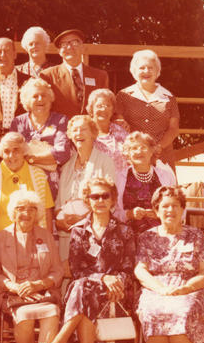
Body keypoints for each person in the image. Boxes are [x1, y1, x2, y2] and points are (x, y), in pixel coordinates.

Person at [42, 177, 137, 343]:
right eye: (95, 196)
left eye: (105, 196)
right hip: (87, 291)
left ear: (113, 200)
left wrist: (112, 280)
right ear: (88, 200)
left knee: (81, 290)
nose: (100, 200)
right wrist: (102, 277)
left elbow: (129, 269)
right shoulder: (78, 231)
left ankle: (60, 342)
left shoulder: (125, 231)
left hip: (116, 292)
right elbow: (77, 269)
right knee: (83, 291)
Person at [134, 186, 204, 343]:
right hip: (156, 287)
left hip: (191, 287)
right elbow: (140, 270)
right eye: (165, 206)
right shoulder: (146, 237)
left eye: (175, 206)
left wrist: (186, 288)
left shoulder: (195, 235)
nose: (170, 210)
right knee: (150, 310)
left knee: (182, 311)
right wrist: (159, 288)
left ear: (183, 209)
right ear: (157, 210)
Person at [0, 190, 63, 343]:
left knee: (52, 313)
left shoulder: (45, 235)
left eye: (32, 209)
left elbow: (58, 270)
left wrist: (39, 284)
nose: (26, 213)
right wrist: (15, 287)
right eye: (21, 209)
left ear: (37, 213)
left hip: (42, 290)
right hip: (13, 293)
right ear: (13, 212)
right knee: (24, 316)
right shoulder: (1, 237)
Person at [55, 115, 116, 259]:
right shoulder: (66, 165)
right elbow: (58, 203)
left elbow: (111, 200)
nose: (78, 134)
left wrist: (83, 220)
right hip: (67, 237)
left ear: (93, 134)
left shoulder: (105, 162)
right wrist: (60, 221)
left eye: (83, 129)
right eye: (75, 130)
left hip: (94, 234)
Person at [0, 132, 54, 235]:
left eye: (16, 150)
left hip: (32, 241)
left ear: (24, 152)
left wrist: (47, 242)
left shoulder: (38, 175)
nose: (11, 156)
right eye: (6, 151)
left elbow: (47, 211)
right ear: (1, 154)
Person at [115, 49, 180, 169]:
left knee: (165, 187)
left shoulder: (169, 97)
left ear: (157, 71)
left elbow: (173, 129)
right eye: (142, 68)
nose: (146, 71)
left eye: (150, 68)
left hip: (162, 155)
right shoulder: (123, 95)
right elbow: (118, 124)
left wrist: (158, 147)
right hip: (133, 155)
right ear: (134, 71)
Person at [10, 77, 70, 201]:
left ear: (50, 98)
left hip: (52, 185)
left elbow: (63, 153)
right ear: (27, 100)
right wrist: (49, 156)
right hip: (23, 183)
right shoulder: (18, 122)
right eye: (35, 96)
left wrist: (31, 158)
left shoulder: (60, 120)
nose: (40, 99)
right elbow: (13, 155)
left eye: (44, 95)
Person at [40, 29, 109, 118]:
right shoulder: (47, 76)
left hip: (92, 129)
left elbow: (107, 105)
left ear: (83, 47)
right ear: (59, 51)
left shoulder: (100, 76)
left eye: (74, 42)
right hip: (61, 129)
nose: (69, 47)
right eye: (64, 44)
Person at [120, 131, 177, 235]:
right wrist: (129, 214)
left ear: (152, 151)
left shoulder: (166, 175)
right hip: (128, 234)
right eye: (134, 148)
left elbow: (177, 207)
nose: (139, 152)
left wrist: (160, 213)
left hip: (161, 233)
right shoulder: (119, 177)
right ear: (127, 153)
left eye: (143, 147)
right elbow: (113, 211)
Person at [0, 37, 30, 129]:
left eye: (7, 51)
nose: (3, 55)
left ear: (15, 54)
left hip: (21, 137)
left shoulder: (30, 82)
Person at [87, 88, 129, 177]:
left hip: (121, 181)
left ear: (113, 110)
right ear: (91, 109)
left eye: (108, 105)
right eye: (99, 106)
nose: (104, 109)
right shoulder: (85, 130)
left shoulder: (120, 131)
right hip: (94, 182)